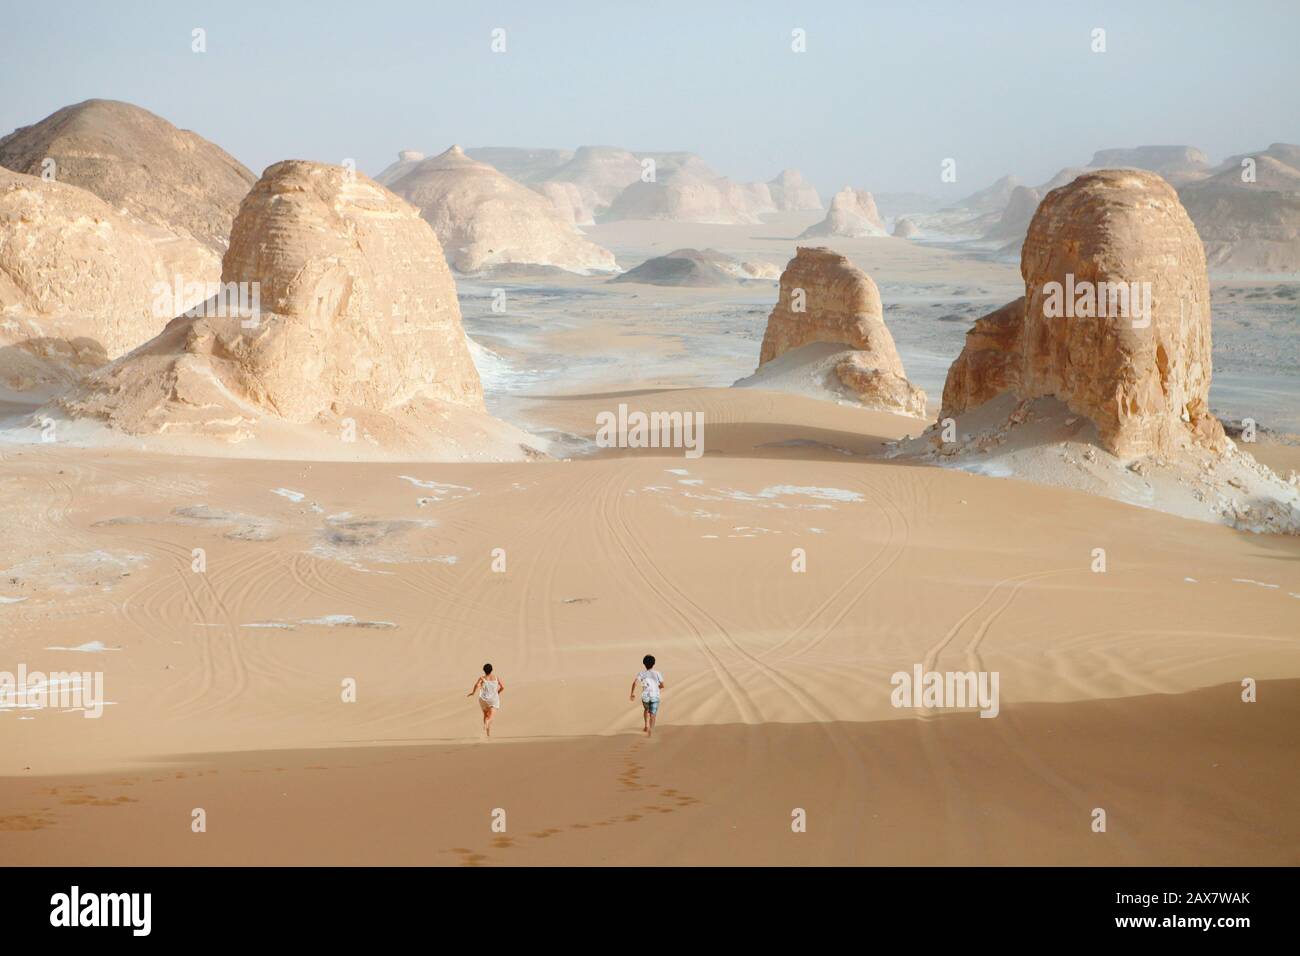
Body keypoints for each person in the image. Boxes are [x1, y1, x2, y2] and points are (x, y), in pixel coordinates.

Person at [629, 654, 665, 736]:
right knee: (653, 714)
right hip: (655, 696)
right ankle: (651, 730)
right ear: (654, 663)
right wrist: (656, 687)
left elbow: (635, 683)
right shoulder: (657, 673)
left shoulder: (641, 673)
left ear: (644, 664)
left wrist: (632, 694)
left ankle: (646, 726)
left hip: (645, 696)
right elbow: (662, 685)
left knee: (646, 710)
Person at [467, 663, 503, 736]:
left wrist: (473, 693)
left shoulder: (481, 678)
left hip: (483, 699)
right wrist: (497, 693)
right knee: (490, 716)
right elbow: (502, 687)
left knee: (486, 715)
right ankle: (486, 725)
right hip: (493, 699)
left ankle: (487, 734)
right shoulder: (496, 677)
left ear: (484, 670)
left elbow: (476, 685)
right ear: (491, 670)